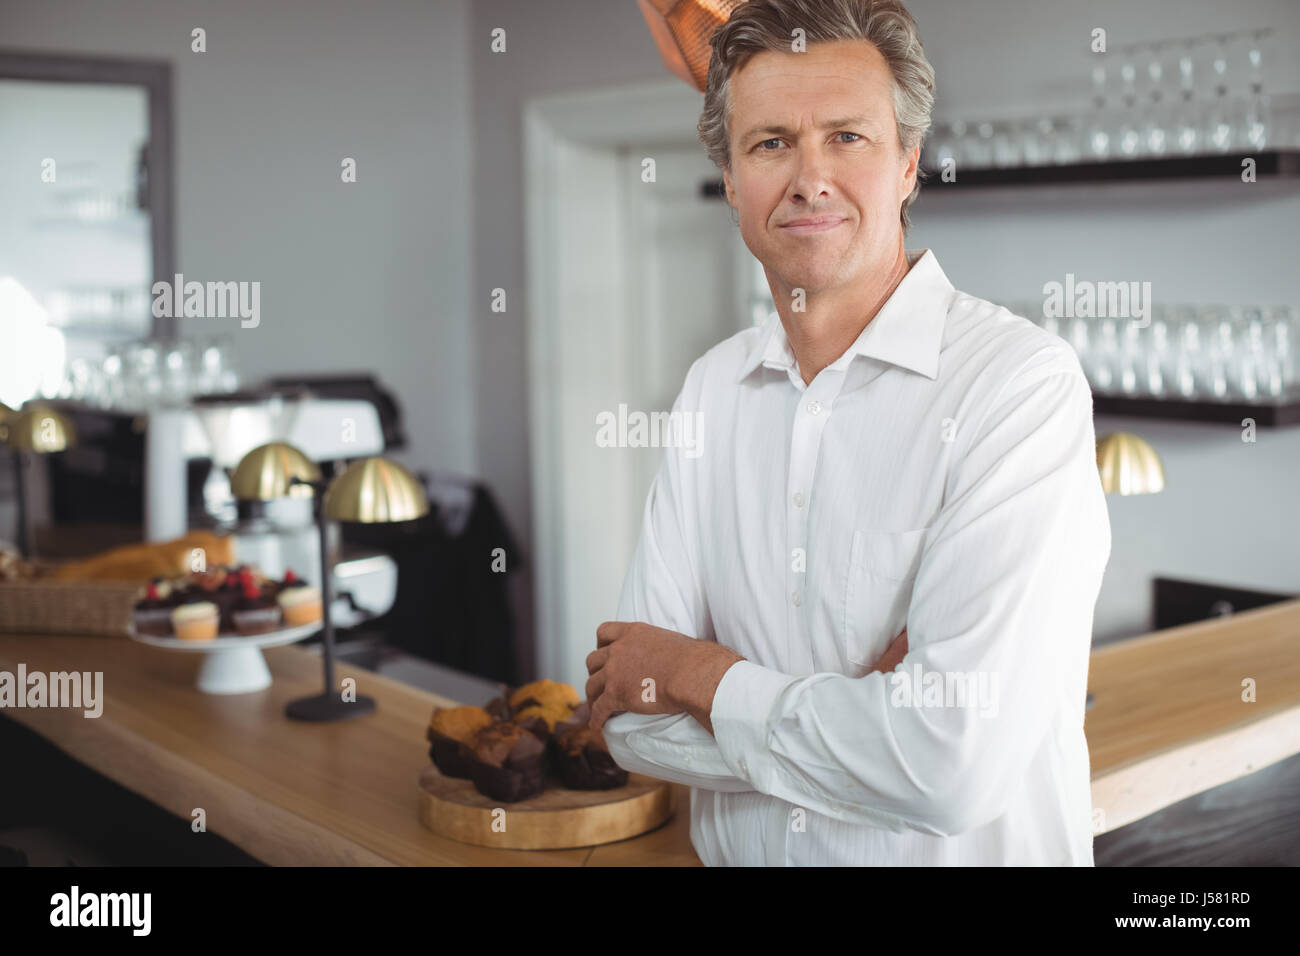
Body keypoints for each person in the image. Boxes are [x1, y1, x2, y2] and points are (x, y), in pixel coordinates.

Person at [584, 0, 1111, 865]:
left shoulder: (1018, 387)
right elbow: (630, 726)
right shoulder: (711, 390)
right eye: (770, 143)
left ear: (908, 163)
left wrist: (697, 675)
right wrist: (861, 711)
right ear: (730, 178)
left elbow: (950, 767)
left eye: (848, 138)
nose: (808, 178)